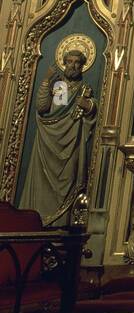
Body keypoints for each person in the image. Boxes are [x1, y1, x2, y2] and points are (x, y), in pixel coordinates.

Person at [20, 47, 97, 225]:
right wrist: (47, 80)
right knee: (42, 184)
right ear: (64, 63)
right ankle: (37, 222)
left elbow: (92, 110)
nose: (73, 66)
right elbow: (46, 110)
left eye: (77, 62)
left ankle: (61, 222)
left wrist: (89, 105)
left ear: (83, 65)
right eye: (69, 62)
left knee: (68, 178)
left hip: (72, 142)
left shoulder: (84, 88)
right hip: (49, 140)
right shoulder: (60, 86)